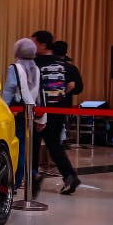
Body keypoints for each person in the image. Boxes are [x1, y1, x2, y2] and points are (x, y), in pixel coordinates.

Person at [31, 31, 82, 196]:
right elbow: (76, 87)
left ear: (43, 45)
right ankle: (69, 176)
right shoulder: (65, 66)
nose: (32, 46)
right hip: (58, 111)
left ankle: (33, 176)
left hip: (38, 111)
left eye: (34, 43)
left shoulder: (33, 64)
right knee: (54, 146)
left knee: (33, 144)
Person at [1, 38, 46, 190]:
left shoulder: (14, 67)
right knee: (26, 146)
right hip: (31, 111)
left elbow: (9, 89)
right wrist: (43, 118)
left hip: (17, 111)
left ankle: (17, 180)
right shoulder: (36, 69)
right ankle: (31, 174)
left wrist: (3, 109)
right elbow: (41, 93)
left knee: (17, 146)